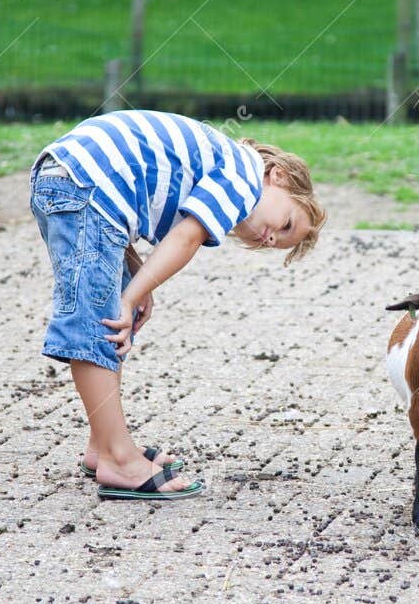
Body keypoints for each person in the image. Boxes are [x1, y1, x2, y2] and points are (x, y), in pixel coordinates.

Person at [30, 111, 326, 500]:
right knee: (98, 325)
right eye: (285, 224)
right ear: (279, 177)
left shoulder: (225, 162)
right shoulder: (243, 177)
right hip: (87, 186)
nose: (269, 238)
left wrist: (135, 278)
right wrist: (131, 294)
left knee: (111, 318)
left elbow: (133, 202)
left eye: (271, 244)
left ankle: (103, 446)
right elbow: (186, 238)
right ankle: (119, 458)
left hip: (72, 180)